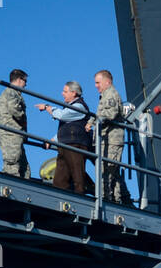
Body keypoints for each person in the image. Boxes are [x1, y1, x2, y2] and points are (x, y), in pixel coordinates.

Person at [35, 81, 93, 195]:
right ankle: (60, 197)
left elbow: (62, 116)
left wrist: (48, 107)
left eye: (65, 91)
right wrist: (52, 141)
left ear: (74, 93)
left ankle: (82, 196)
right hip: (65, 144)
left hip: (75, 144)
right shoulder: (70, 107)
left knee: (77, 174)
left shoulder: (79, 106)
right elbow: (66, 127)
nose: (62, 94)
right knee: (60, 178)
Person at [87, 70, 130, 204]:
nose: (96, 86)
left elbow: (110, 114)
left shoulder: (111, 94)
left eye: (98, 82)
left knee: (106, 170)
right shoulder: (105, 95)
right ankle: (119, 200)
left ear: (107, 82)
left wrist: (93, 121)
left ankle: (105, 199)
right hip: (106, 140)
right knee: (113, 172)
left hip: (111, 140)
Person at [0, 69, 31, 178]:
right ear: (20, 80)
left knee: (24, 168)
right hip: (10, 133)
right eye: (25, 81)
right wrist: (23, 121)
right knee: (12, 165)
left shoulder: (13, 93)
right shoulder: (11, 92)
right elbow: (15, 110)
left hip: (15, 133)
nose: (25, 84)